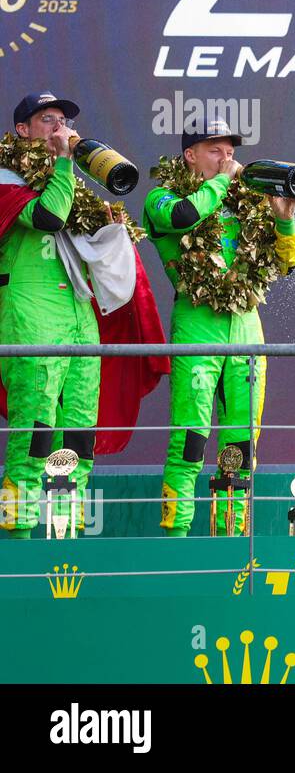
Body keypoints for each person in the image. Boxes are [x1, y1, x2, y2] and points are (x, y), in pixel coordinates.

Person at [143, 116, 295, 536]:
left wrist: (284, 219)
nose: (226, 159)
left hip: (246, 328)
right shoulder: (163, 197)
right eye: (215, 150)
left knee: (241, 448)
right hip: (197, 325)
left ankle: (231, 541)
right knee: (190, 442)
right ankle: (176, 539)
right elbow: (183, 217)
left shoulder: (244, 203)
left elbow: (286, 264)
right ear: (189, 155)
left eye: (230, 152)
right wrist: (223, 181)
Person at [0, 93, 114, 535]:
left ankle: (67, 541)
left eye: (63, 120)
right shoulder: (6, 178)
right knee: (35, 436)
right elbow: (48, 217)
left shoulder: (68, 182)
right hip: (32, 316)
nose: (59, 127)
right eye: (47, 119)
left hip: (79, 316)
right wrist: (65, 162)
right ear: (22, 130)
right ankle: (18, 541)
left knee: (79, 436)